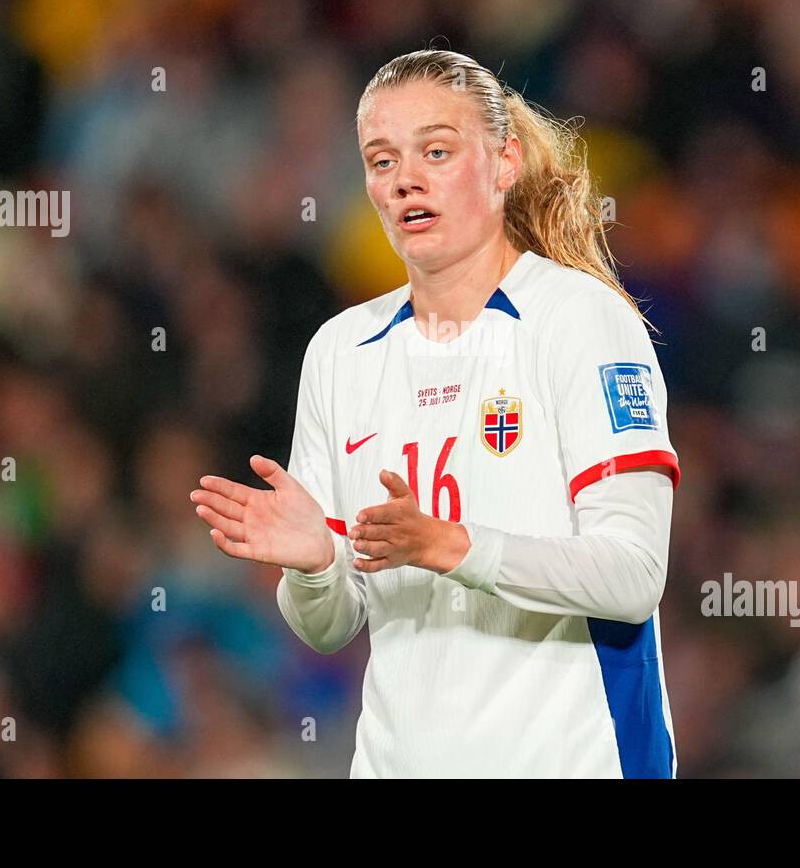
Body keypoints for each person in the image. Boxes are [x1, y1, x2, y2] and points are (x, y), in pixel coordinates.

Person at [190, 49, 681, 778]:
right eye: (381, 160)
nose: (406, 180)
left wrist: (452, 545)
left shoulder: (582, 321)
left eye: (437, 151)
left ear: (505, 161)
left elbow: (633, 572)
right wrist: (319, 566)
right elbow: (328, 625)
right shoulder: (341, 351)